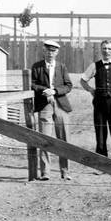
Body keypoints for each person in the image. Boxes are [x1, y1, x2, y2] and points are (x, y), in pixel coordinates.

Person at [29, 39, 73, 180]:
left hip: (60, 105)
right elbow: (33, 85)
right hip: (44, 105)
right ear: (44, 51)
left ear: (57, 52)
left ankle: (65, 172)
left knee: (64, 138)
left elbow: (68, 85)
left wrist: (54, 91)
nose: (50, 53)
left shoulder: (62, 67)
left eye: (53, 51)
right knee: (44, 138)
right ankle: (45, 172)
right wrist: (45, 91)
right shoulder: (37, 66)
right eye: (48, 50)